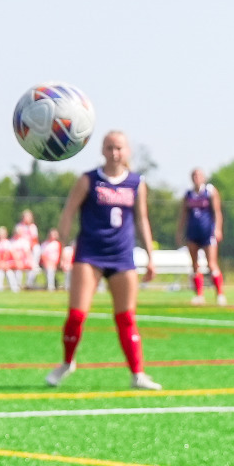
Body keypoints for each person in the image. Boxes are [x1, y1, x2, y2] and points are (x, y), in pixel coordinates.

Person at [48, 130, 161, 390]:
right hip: (90, 255)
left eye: (119, 148)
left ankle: (138, 374)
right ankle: (67, 362)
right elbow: (68, 212)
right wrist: (62, 245)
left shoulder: (136, 182)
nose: (114, 153)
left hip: (122, 257)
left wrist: (150, 257)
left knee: (126, 317)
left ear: (127, 151)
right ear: (101, 150)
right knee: (77, 315)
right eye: (109, 148)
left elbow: (142, 219)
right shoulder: (88, 180)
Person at [178, 169, 225, 306]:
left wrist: (218, 228)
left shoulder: (209, 191)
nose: (196, 178)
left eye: (199, 176)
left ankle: (220, 294)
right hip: (193, 232)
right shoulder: (188, 194)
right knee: (194, 265)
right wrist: (180, 232)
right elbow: (183, 215)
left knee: (212, 264)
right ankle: (199, 295)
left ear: (203, 177)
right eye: (194, 176)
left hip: (207, 232)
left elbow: (217, 212)